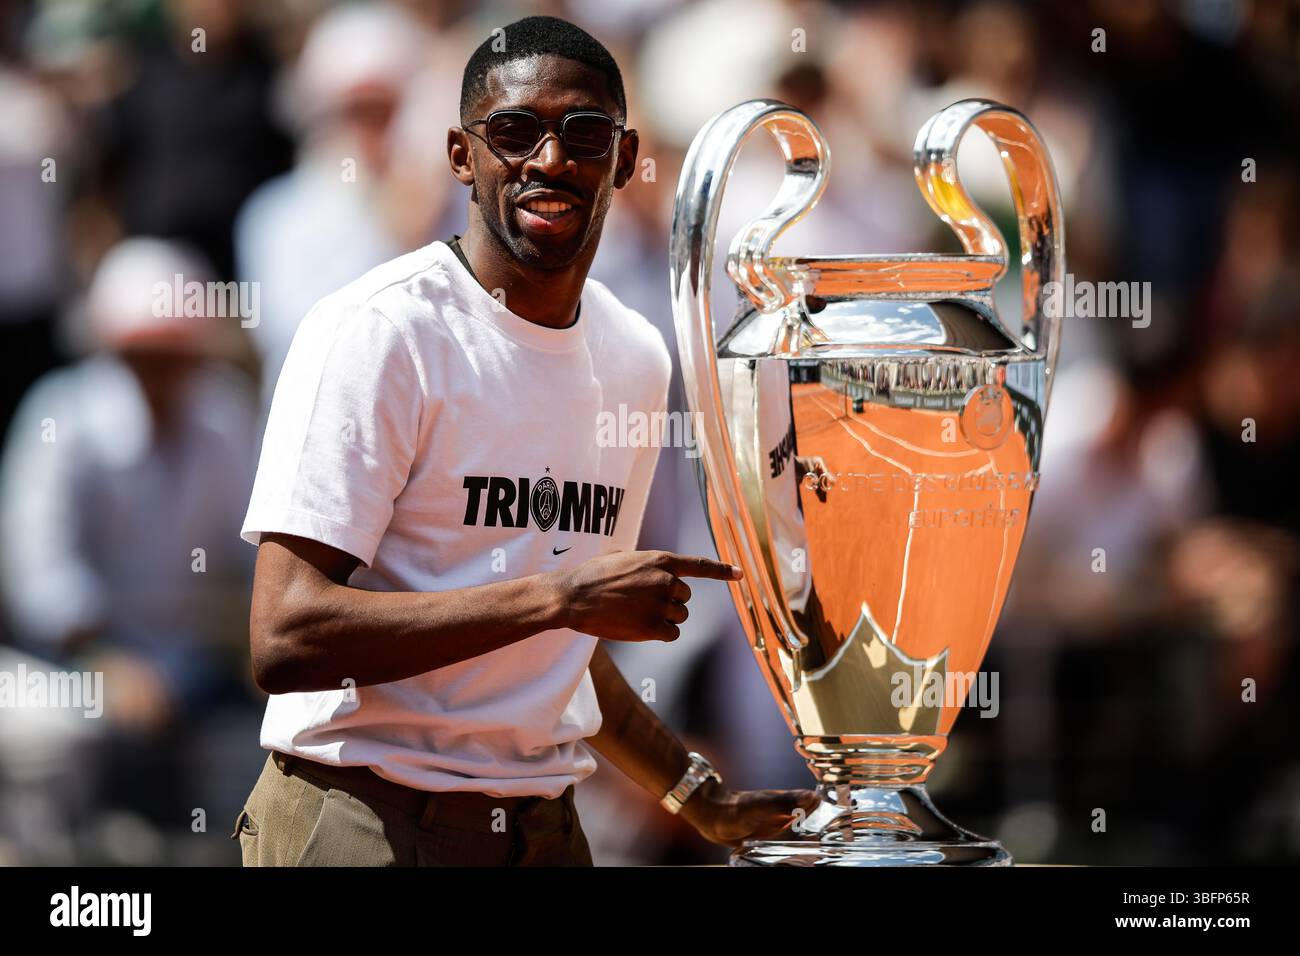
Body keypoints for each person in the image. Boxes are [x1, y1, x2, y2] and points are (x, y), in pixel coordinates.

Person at [234, 15, 819, 867]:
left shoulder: (634, 356)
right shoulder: (378, 332)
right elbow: (284, 638)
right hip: (359, 814)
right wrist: (557, 599)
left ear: (623, 157)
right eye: (514, 131)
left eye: (582, 133)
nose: (550, 160)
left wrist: (703, 799)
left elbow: (557, 652)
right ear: (461, 156)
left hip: (543, 825)